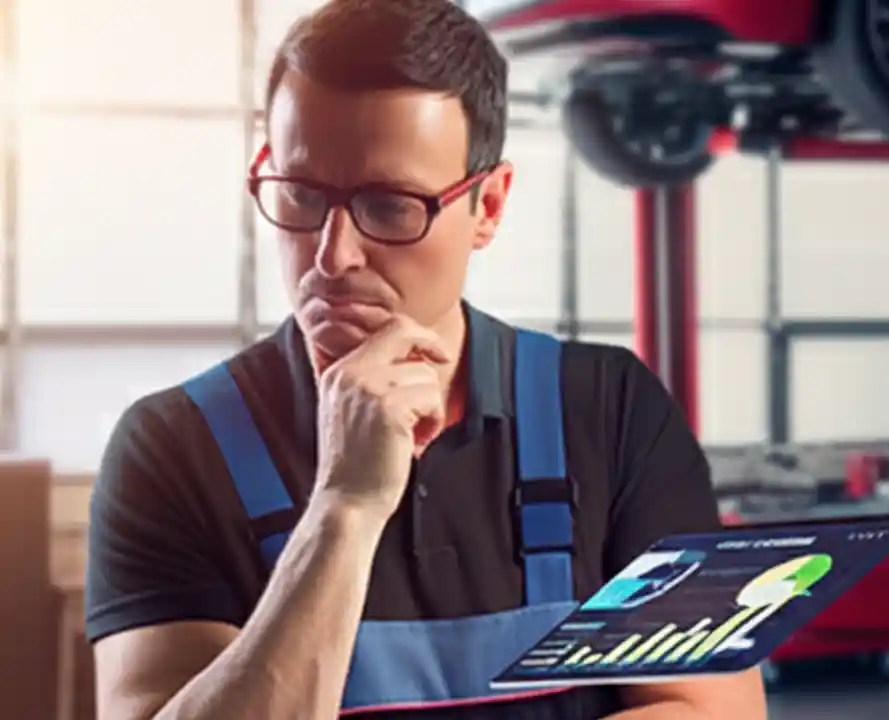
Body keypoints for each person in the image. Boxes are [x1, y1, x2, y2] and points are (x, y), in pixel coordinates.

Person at [85, 1, 767, 718]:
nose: (333, 254)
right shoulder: (175, 448)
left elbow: (710, 707)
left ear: (490, 206)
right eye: (303, 194)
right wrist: (343, 512)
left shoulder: (611, 412)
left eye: (389, 206)